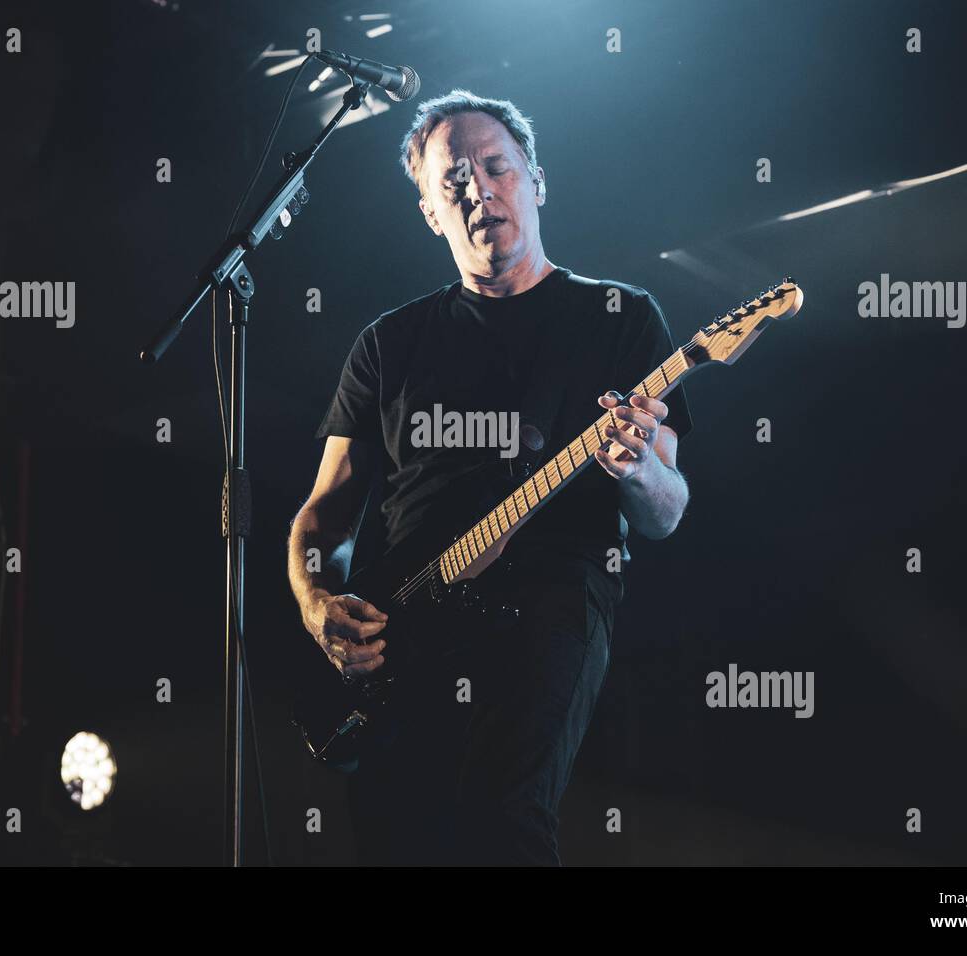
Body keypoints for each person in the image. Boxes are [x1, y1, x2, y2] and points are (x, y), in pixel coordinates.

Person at [286, 90, 692, 865]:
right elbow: (322, 517)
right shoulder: (389, 343)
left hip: (551, 593)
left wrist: (638, 467)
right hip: (406, 615)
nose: (478, 189)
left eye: (495, 167)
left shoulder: (620, 318)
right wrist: (316, 606)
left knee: (503, 818)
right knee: (394, 830)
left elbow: (667, 510)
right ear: (431, 214)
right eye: (453, 182)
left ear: (535, 181)